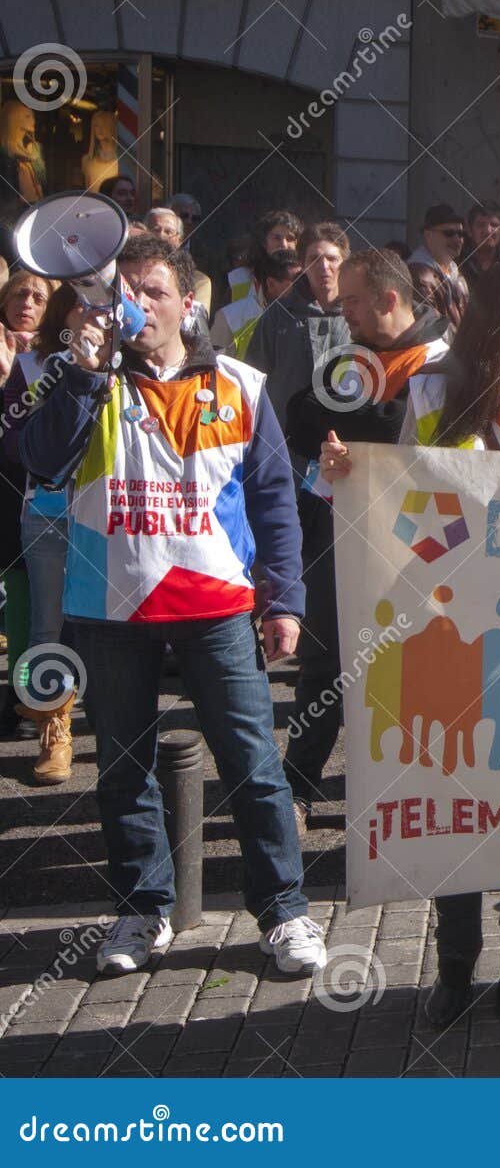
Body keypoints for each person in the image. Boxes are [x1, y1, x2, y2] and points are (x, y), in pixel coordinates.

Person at [319, 259, 500, 1026]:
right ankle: (455, 966)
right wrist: (351, 476)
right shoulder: (434, 395)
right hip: (453, 632)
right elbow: (404, 499)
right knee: (458, 800)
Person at [21, 234, 323, 977]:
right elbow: (38, 458)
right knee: (125, 768)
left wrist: (284, 597)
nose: (135, 303)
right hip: (108, 606)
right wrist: (85, 375)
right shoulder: (79, 377)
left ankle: (284, 910)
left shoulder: (242, 386)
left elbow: (275, 500)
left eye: (153, 290)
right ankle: (141, 908)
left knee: (252, 763)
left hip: (216, 606)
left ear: (189, 305)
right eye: (122, 290)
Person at [279, 248, 450, 828]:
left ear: (387, 298)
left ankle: (407, 793)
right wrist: (364, 424)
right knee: (323, 662)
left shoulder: (444, 359)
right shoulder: (354, 355)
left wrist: (356, 423)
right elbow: (300, 417)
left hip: (418, 540)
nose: (340, 309)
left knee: (415, 666)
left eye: (351, 300)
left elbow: (404, 432)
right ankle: (297, 787)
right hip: (341, 526)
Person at [3, 284, 80, 781]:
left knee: (125, 631)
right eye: (79, 306)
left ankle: (126, 738)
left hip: (121, 510)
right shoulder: (31, 367)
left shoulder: (128, 362)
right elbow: (13, 444)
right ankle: (55, 734)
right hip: (49, 507)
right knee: (46, 623)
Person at [0, 272, 61, 747]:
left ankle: (39, 702)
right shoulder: (12, 359)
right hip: (12, 492)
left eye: (38, 296)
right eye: (19, 293)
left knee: (44, 604)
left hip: (43, 496)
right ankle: (27, 699)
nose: (27, 302)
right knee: (25, 600)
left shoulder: (50, 358)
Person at [245, 222, 351, 486]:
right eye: (314, 258)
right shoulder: (278, 316)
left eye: (332, 258)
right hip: (285, 450)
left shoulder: (359, 314)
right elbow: (252, 382)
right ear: (303, 264)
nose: (323, 267)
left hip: (346, 451)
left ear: (344, 263)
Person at [409, 204, 469, 332]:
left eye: (461, 234)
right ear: (428, 235)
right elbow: (429, 331)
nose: (457, 239)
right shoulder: (419, 277)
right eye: (449, 233)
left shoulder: (454, 271)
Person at [227, 210, 301, 309]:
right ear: (263, 242)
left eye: (290, 239)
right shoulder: (241, 277)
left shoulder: (306, 275)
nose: (284, 244)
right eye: (277, 238)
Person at [145, 208, 213, 314]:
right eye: (156, 230)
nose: (161, 236)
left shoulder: (199, 281)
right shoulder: (130, 273)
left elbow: (193, 323)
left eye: (169, 232)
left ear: (179, 240)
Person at [462, 204, 500, 294]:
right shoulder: (457, 264)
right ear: (469, 231)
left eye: (494, 225)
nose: (488, 231)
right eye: (481, 225)